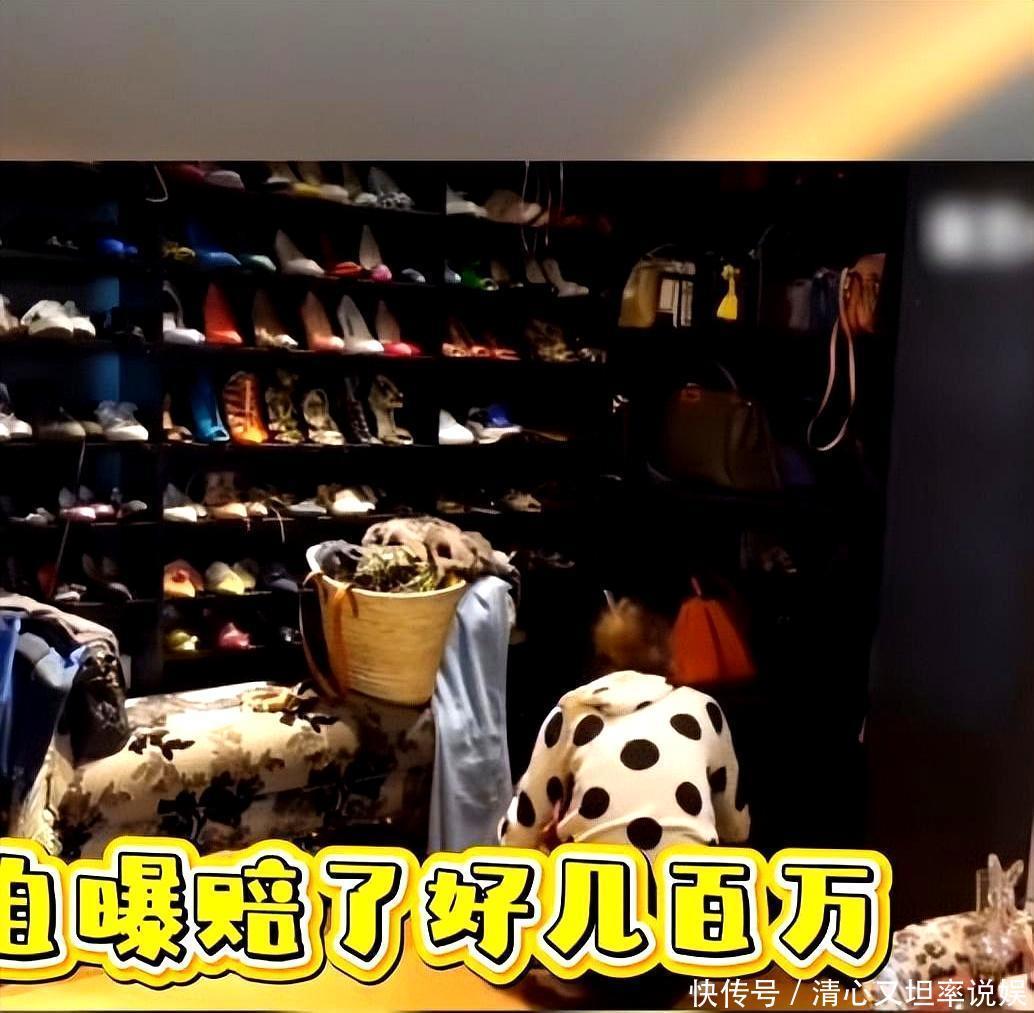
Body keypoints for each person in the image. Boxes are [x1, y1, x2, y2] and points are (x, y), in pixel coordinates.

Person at [498, 598, 749, 858]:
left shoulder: (572, 712)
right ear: (668, 651)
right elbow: (737, 828)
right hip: (684, 876)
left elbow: (520, 830)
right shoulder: (702, 709)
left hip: (595, 876)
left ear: (600, 656)